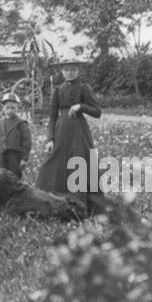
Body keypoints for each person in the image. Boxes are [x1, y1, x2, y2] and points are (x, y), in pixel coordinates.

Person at [34, 59, 103, 216]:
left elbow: (97, 112)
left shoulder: (84, 88)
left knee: (80, 165)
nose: (69, 72)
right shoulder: (58, 90)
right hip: (61, 133)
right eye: (66, 70)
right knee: (51, 167)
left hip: (79, 133)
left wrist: (81, 106)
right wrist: (50, 139)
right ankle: (51, 203)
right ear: (62, 71)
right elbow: (52, 117)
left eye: (73, 69)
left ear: (78, 71)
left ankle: (82, 206)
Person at [0, 90, 32, 178]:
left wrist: (24, 158)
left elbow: (27, 141)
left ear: (17, 108)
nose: (10, 110)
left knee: (14, 178)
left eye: (13, 108)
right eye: (7, 107)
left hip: (15, 156)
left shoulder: (21, 123)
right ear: (3, 108)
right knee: (1, 177)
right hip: (1, 155)